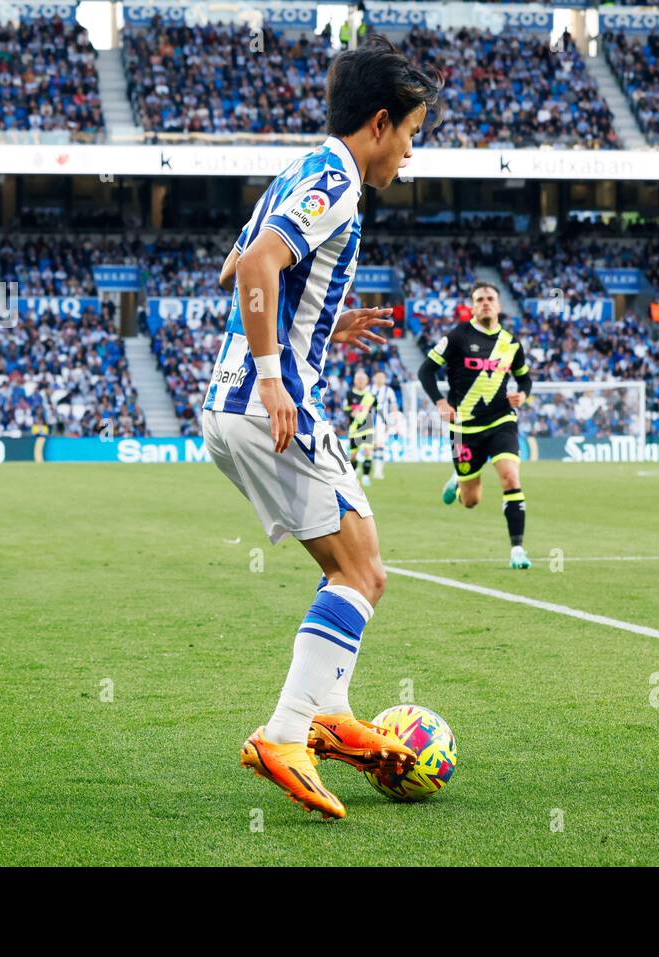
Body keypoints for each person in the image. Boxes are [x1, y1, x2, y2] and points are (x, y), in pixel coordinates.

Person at [199, 36, 440, 821]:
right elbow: (262, 265)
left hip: (239, 397)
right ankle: (286, 731)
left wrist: (317, 321)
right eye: (411, 134)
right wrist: (277, 378)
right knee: (361, 573)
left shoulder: (300, 170)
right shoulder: (336, 178)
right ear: (379, 122)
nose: (410, 153)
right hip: (267, 403)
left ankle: (323, 712)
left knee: (361, 558)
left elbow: (235, 270)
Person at [418, 282, 535, 569]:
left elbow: (525, 378)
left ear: (498, 305)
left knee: (510, 477)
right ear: (472, 306)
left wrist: (524, 395)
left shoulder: (511, 343)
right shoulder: (457, 337)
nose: (485, 303)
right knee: (471, 501)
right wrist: (440, 403)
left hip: (501, 421)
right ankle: (459, 481)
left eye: (490, 298)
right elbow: (426, 371)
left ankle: (517, 550)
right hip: (463, 430)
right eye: (480, 299)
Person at [344, 369, 378, 487]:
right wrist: (350, 413)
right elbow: (346, 409)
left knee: (368, 452)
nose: (360, 381)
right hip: (354, 428)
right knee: (353, 455)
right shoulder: (349, 394)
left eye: (363, 379)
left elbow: (377, 409)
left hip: (367, 427)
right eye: (358, 379)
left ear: (367, 381)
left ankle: (366, 477)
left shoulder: (371, 396)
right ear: (354, 381)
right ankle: (353, 478)